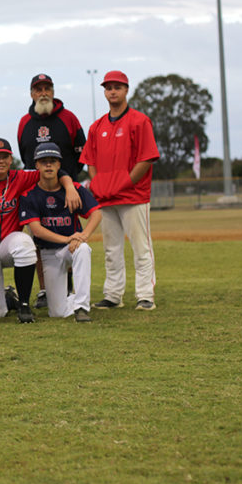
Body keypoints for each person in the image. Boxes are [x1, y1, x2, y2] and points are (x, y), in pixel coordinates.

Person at [0, 137, 79, 323]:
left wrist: (69, 185)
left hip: (8, 242)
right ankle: (8, 297)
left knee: (25, 243)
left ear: (10, 159)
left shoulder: (19, 177)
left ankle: (23, 304)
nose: (0, 161)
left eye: (5, 156)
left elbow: (51, 171)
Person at [81, 70, 159, 311]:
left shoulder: (139, 121)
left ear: (126, 90)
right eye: (108, 87)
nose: (112, 91)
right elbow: (90, 160)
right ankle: (113, 295)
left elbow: (146, 159)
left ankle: (145, 295)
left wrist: (125, 183)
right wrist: (97, 184)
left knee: (141, 248)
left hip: (133, 196)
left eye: (117, 87)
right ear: (104, 92)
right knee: (111, 249)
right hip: (106, 197)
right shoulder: (97, 127)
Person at [19, 143, 101, 322]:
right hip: (49, 252)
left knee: (84, 250)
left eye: (53, 161)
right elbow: (37, 230)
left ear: (59, 165)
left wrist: (83, 236)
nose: (48, 165)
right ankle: (72, 299)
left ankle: (81, 307)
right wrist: (68, 238)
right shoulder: (30, 195)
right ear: (37, 165)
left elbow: (96, 213)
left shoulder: (74, 189)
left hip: (71, 247)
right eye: (44, 161)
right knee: (56, 312)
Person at [17, 73, 85, 178]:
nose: (43, 93)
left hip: (66, 188)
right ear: (32, 94)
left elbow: (81, 153)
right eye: (39, 90)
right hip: (34, 189)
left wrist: (69, 175)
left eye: (47, 89)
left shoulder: (69, 117)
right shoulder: (24, 122)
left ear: (53, 93)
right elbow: (25, 156)